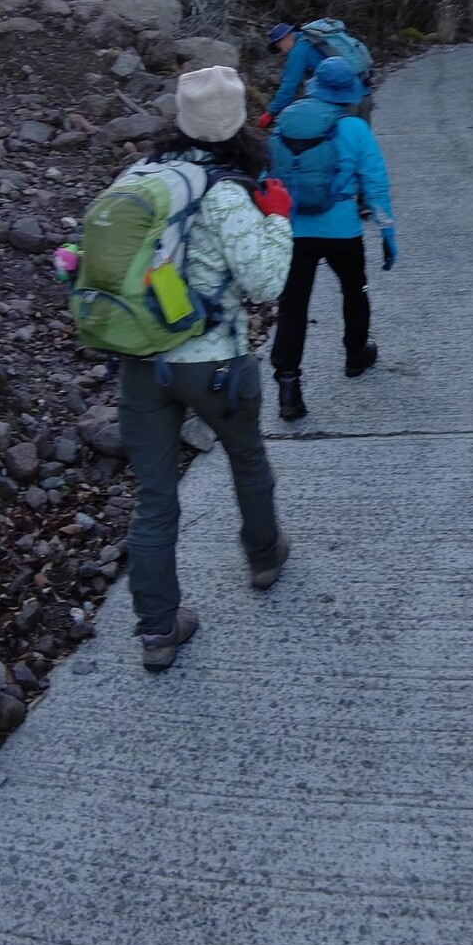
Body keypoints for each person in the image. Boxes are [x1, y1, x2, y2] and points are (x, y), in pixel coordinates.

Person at [117, 66, 295, 672]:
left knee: (155, 498)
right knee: (246, 457)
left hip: (141, 363)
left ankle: (158, 631)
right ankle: (265, 557)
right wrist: (276, 217)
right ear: (240, 124)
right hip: (213, 362)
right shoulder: (222, 193)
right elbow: (267, 281)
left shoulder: (138, 177)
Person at [269, 55, 397, 420]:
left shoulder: (285, 123)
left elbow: (269, 176)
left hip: (295, 231)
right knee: (354, 290)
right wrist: (387, 231)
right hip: (342, 230)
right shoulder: (355, 129)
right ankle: (356, 354)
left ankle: (289, 385)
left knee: (293, 306)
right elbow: (375, 184)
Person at [258, 18, 374, 127]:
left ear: (287, 36)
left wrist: (271, 113)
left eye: (280, 46)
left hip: (345, 103)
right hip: (363, 95)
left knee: (343, 144)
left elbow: (289, 86)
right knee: (363, 143)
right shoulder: (315, 38)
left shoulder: (300, 50)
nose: (282, 51)